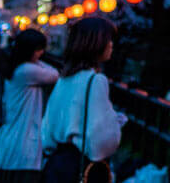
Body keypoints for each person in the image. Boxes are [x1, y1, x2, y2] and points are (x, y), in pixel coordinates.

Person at [41, 17, 123, 183]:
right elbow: (101, 142)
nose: (111, 45)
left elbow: (47, 130)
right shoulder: (95, 80)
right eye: (108, 39)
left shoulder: (65, 79)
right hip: (81, 167)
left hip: (58, 165)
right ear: (95, 43)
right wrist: (115, 122)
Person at [0, 29, 59, 183]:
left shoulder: (16, 68)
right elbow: (54, 74)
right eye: (39, 49)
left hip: (12, 139)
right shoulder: (27, 71)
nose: (42, 53)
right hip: (23, 142)